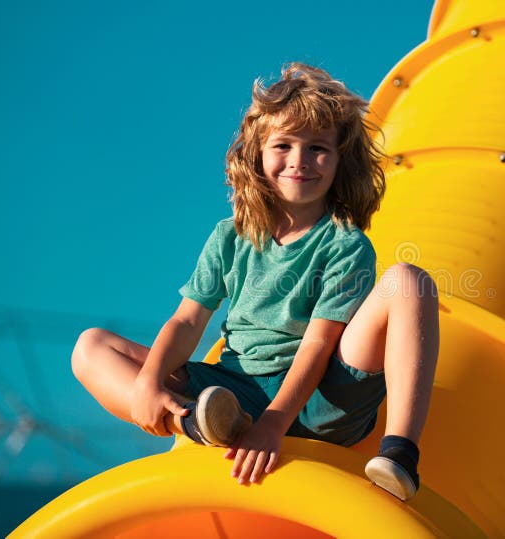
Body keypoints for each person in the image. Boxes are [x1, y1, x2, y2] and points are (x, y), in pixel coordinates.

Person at [71, 63, 439, 501]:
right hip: (236, 389)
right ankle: (193, 422)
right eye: (283, 145)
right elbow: (187, 321)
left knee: (409, 281)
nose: (299, 160)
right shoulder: (231, 236)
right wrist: (150, 381)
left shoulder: (345, 245)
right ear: (257, 155)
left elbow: (319, 344)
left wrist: (273, 424)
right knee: (91, 347)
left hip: (320, 400)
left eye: (318, 148)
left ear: (342, 160)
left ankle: (399, 453)